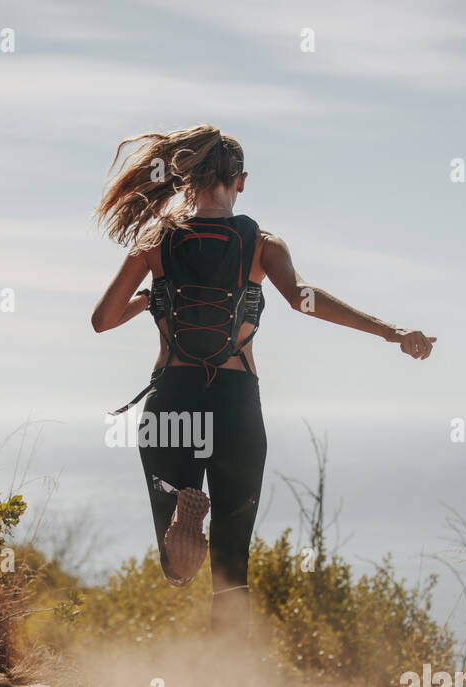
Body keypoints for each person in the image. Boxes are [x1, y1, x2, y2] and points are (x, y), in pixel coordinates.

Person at [91, 125, 436, 638]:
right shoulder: (262, 244)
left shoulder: (155, 241)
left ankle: (183, 534)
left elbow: (102, 319)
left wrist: (157, 296)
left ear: (185, 178)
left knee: (177, 567)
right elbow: (305, 299)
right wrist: (390, 330)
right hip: (235, 405)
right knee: (233, 565)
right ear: (241, 182)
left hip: (171, 402)